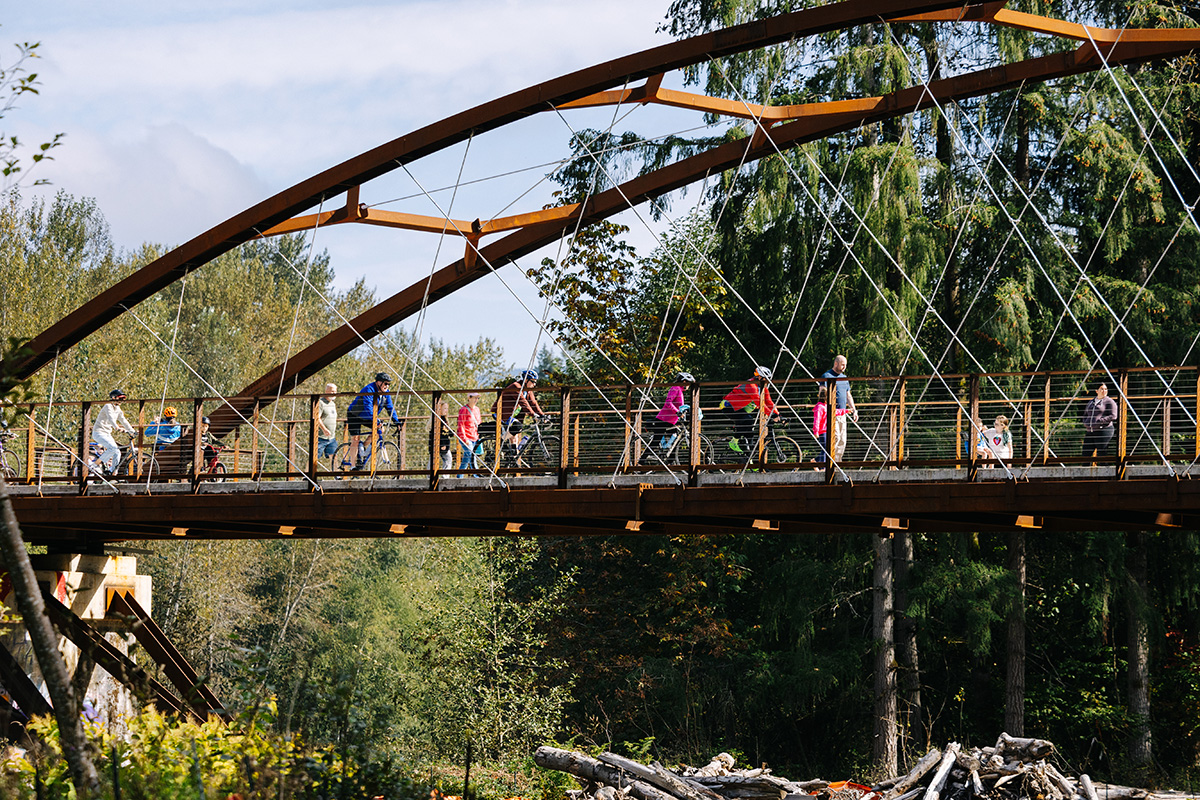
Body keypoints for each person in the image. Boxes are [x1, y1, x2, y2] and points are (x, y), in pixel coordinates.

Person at [718, 365, 778, 458]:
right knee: (748, 419)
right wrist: (772, 415)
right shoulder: (751, 385)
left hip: (740, 408)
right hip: (729, 406)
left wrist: (778, 414)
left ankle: (750, 460)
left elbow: (769, 402)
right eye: (766, 379)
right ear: (759, 377)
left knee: (750, 434)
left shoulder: (763, 387)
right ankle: (734, 442)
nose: (767, 382)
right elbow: (759, 402)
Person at [346, 372, 400, 467]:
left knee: (380, 429)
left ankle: (362, 448)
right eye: (385, 383)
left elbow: (390, 407)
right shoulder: (369, 390)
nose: (387, 386)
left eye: (388, 384)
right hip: (355, 414)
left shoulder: (386, 393)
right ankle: (353, 466)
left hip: (369, 415)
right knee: (355, 438)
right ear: (378, 382)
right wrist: (376, 420)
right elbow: (368, 408)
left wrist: (396, 421)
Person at [642, 371, 695, 463]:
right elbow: (668, 403)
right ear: (684, 382)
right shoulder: (675, 388)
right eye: (689, 383)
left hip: (671, 421)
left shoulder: (680, 391)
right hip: (663, 419)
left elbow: (679, 405)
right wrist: (677, 412)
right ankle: (641, 462)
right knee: (656, 440)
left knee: (676, 440)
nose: (689, 386)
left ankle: (669, 461)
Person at [493, 370, 545, 449]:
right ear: (526, 380)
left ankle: (513, 458)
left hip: (513, 416)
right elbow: (523, 402)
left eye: (535, 382)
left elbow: (533, 403)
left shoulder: (528, 390)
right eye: (533, 382)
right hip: (502, 414)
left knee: (515, 437)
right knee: (517, 427)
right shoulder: (516, 387)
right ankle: (499, 443)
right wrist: (533, 414)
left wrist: (542, 415)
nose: (534, 384)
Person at [821, 355, 858, 462]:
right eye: (842, 364)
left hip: (842, 414)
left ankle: (837, 463)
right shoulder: (826, 376)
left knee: (842, 440)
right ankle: (826, 463)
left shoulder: (844, 378)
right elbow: (821, 394)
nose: (844, 367)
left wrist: (854, 410)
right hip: (831, 413)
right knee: (835, 438)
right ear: (836, 363)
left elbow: (848, 396)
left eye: (845, 365)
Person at [91, 389, 136, 474]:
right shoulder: (108, 406)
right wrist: (117, 427)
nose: (121, 401)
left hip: (107, 433)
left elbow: (123, 420)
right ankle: (95, 465)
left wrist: (132, 431)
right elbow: (111, 418)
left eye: (122, 399)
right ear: (113, 398)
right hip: (99, 432)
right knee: (113, 448)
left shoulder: (117, 409)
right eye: (120, 399)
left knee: (117, 453)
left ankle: (113, 473)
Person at [1082, 382, 1118, 458]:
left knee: (1101, 453)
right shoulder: (1091, 402)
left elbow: (1114, 415)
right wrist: (1086, 422)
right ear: (1097, 391)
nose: (1104, 391)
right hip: (1091, 431)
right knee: (1085, 454)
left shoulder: (1109, 402)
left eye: (1105, 389)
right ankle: (1085, 468)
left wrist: (1100, 421)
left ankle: (1104, 468)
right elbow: (1085, 414)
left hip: (1103, 430)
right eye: (1101, 389)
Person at [457, 392, 482, 469]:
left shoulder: (477, 409)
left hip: (475, 437)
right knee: (470, 454)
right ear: (469, 398)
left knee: (470, 456)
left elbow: (479, 423)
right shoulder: (464, 410)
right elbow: (461, 425)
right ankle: (475, 474)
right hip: (466, 437)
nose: (476, 400)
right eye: (474, 397)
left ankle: (461, 474)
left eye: (477, 398)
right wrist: (465, 439)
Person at [316, 383, 339, 462]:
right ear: (326, 391)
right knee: (314, 458)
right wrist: (324, 429)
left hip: (332, 437)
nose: (334, 393)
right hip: (320, 437)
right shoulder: (321, 403)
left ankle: (336, 474)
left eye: (335, 391)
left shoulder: (333, 404)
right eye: (332, 391)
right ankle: (308, 474)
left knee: (334, 458)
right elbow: (317, 418)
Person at [433, 398, 453, 471]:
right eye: (444, 408)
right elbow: (439, 433)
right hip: (440, 444)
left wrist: (451, 433)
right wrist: (442, 444)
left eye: (447, 408)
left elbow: (446, 431)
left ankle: (445, 475)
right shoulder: (438, 420)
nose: (446, 410)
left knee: (446, 459)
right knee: (447, 459)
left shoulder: (444, 419)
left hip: (444, 444)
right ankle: (444, 476)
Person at [813, 384, 829, 464]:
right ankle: (821, 466)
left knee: (826, 449)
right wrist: (816, 431)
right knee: (825, 448)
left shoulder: (826, 406)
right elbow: (817, 420)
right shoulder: (820, 407)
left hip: (826, 430)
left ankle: (816, 461)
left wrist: (845, 411)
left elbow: (835, 412)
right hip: (822, 431)